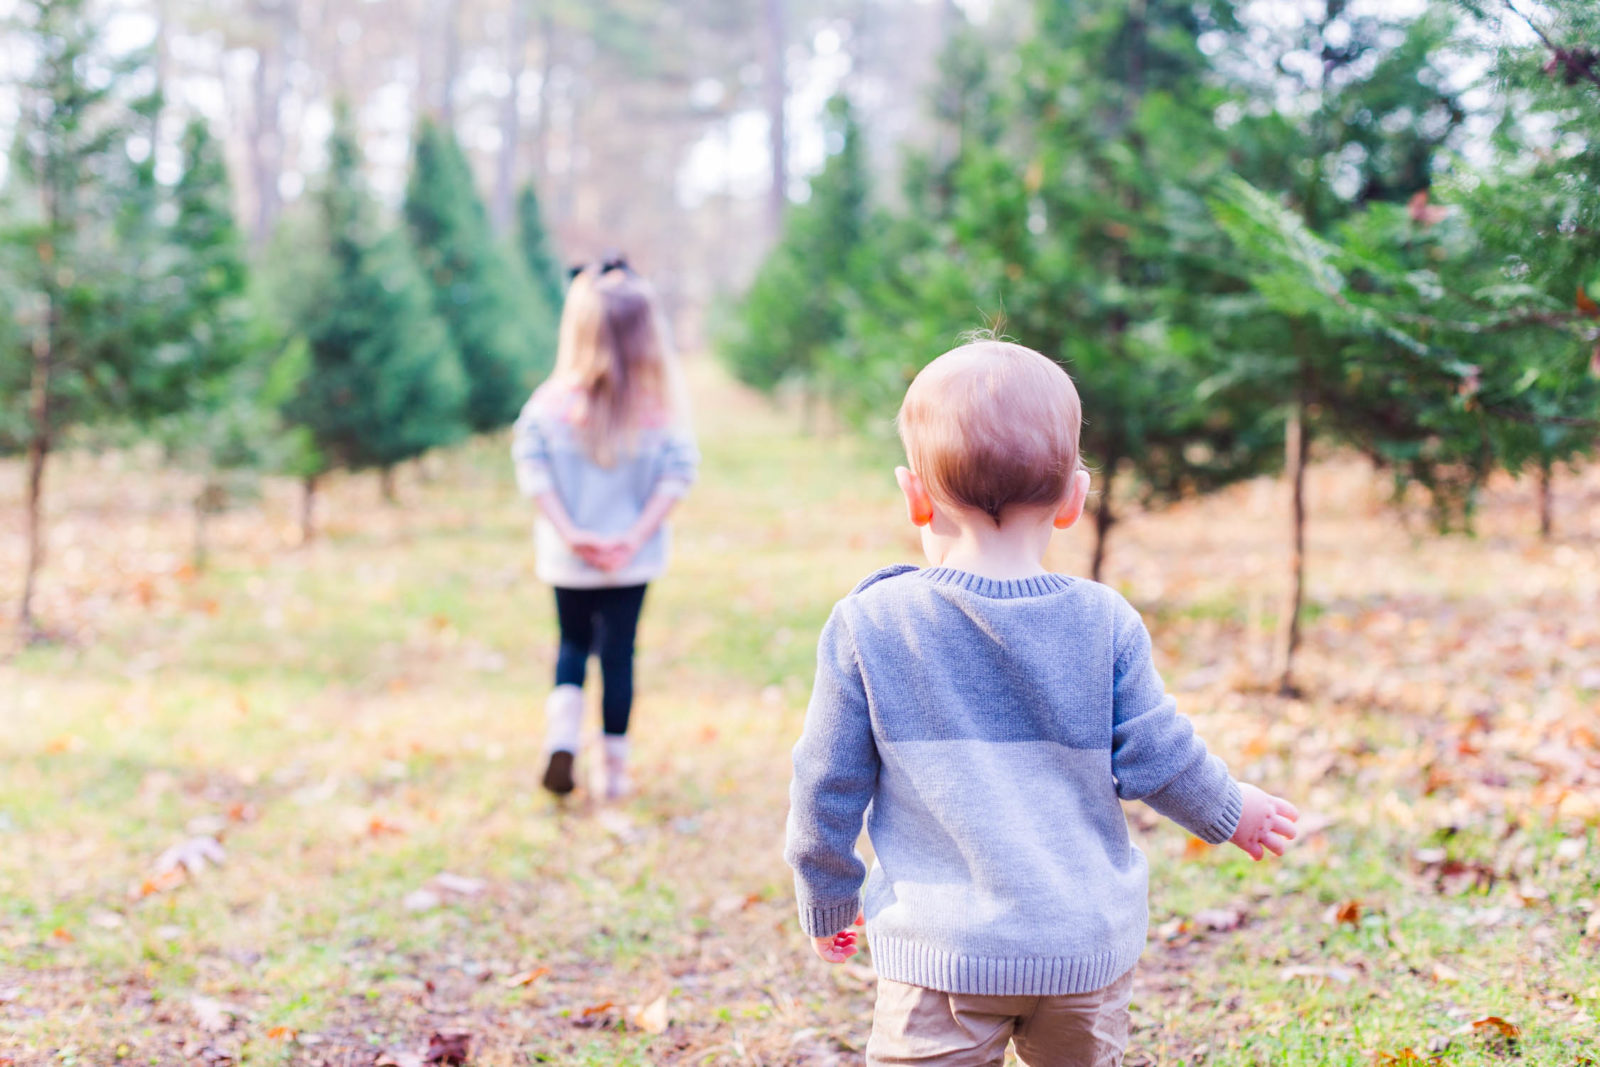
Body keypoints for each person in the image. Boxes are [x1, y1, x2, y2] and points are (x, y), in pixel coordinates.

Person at [783, 339, 1298, 1066]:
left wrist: (829, 892)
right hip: (1080, 948)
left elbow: (824, 779)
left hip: (940, 956)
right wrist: (1230, 809)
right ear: (1073, 500)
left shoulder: (871, 622)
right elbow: (1159, 752)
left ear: (914, 495)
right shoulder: (1105, 620)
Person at [511, 260, 698, 800]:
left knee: (571, 644)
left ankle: (561, 737)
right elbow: (680, 470)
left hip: (570, 559)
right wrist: (635, 536)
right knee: (619, 656)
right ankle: (612, 776)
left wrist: (570, 532)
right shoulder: (656, 409)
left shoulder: (550, 405)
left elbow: (531, 464)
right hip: (630, 561)